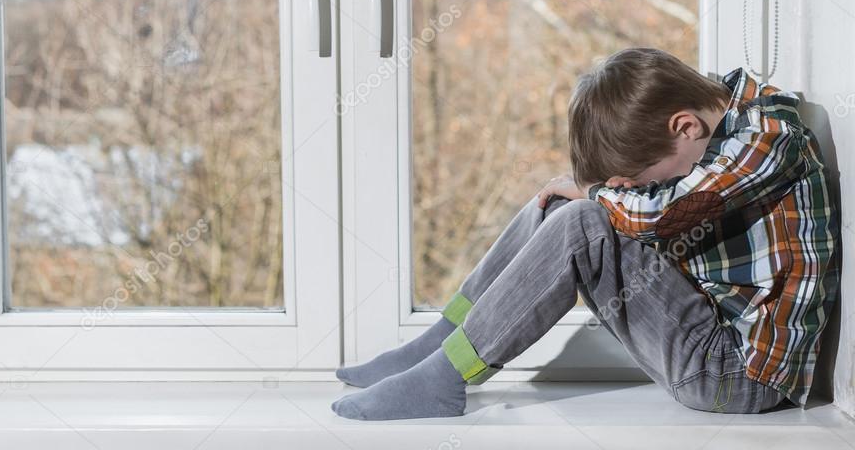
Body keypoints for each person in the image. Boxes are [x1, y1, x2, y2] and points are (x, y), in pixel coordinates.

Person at [331, 48, 838, 420]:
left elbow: (661, 216)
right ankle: (441, 344)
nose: (646, 189)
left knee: (584, 217)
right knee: (560, 204)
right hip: (703, 339)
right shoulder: (712, 120)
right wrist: (591, 190)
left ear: (685, 127)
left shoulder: (770, 141)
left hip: (738, 376)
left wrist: (594, 194)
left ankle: (445, 379)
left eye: (646, 181)